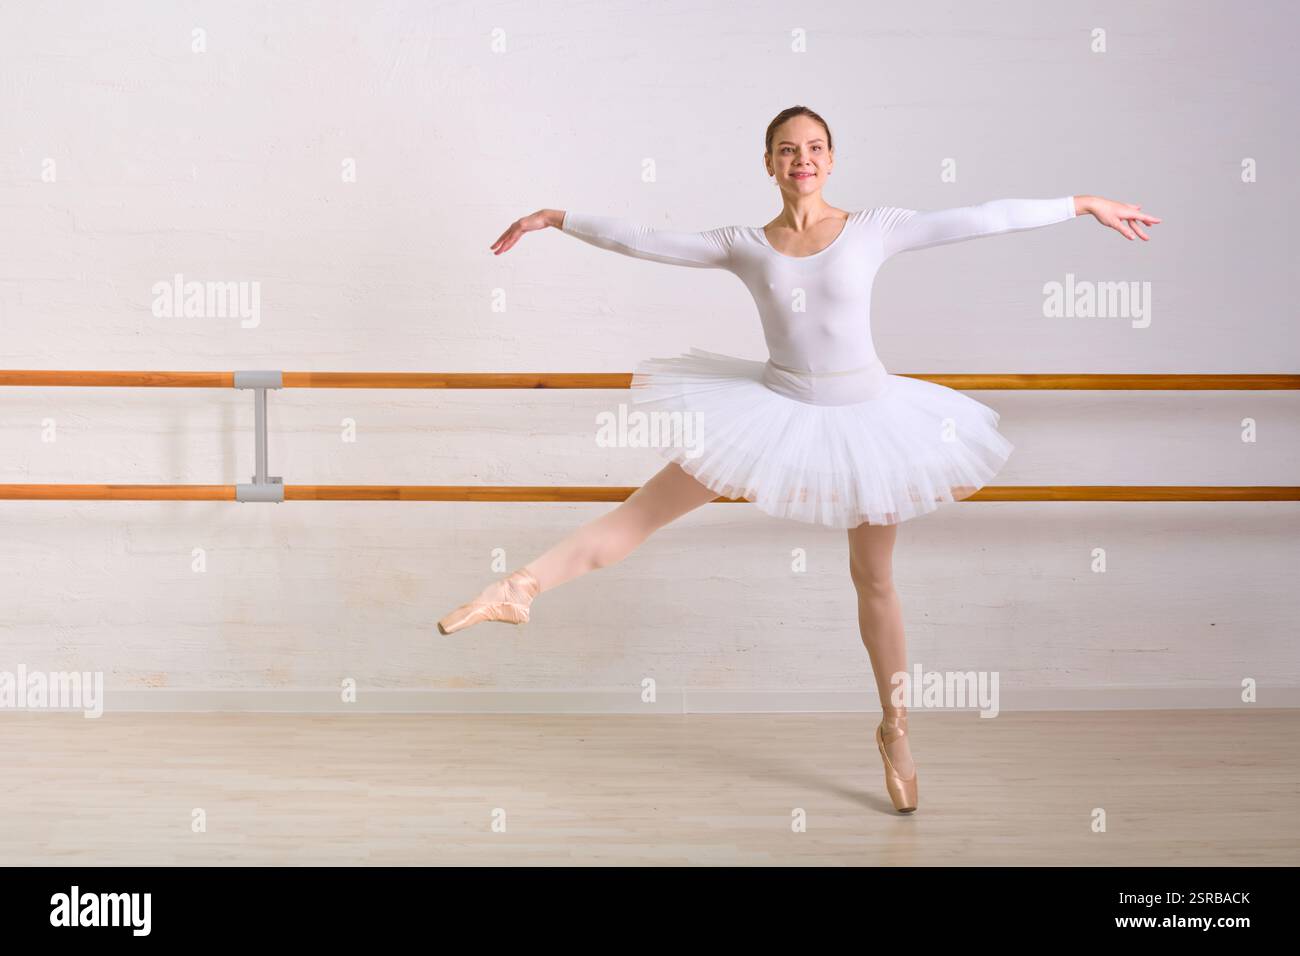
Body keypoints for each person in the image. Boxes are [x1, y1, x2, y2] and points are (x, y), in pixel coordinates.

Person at [437, 106, 1160, 813]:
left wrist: (1083, 203)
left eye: (814, 147)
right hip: (771, 411)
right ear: (769, 164)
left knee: (873, 579)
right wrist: (557, 218)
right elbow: (645, 240)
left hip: (869, 421)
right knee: (642, 513)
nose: (802, 158)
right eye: (788, 149)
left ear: (832, 159)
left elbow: (979, 217)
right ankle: (519, 588)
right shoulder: (744, 244)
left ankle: (896, 727)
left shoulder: (875, 230)